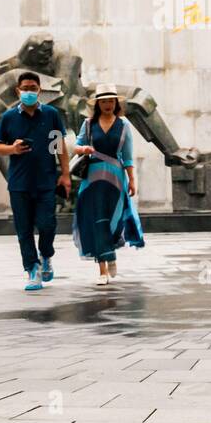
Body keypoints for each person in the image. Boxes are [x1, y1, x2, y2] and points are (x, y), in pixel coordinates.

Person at [0, 71, 70, 291]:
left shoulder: (51, 114)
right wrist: (13, 149)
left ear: (39, 90)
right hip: (19, 183)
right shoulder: (8, 117)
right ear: (18, 91)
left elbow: (59, 147)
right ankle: (32, 269)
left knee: (47, 224)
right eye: (24, 88)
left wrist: (64, 175)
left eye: (32, 88)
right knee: (23, 230)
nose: (28, 92)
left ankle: (46, 255)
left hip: (46, 181)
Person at [71, 84, 144, 285]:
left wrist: (132, 180)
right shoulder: (88, 124)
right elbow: (75, 146)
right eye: (103, 101)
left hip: (115, 178)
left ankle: (110, 253)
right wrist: (83, 148)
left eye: (111, 101)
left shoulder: (124, 126)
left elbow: (127, 157)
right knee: (98, 220)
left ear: (116, 103)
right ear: (97, 104)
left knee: (114, 220)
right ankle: (102, 268)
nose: (107, 104)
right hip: (93, 178)